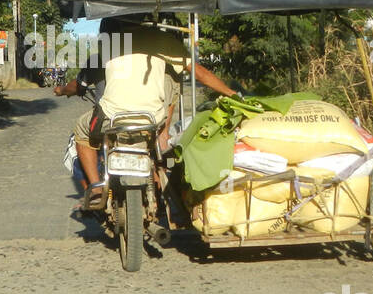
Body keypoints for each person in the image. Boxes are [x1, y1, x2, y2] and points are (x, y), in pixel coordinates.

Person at [55, 15, 237, 209]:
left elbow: (78, 84)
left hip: (112, 118)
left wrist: (60, 90)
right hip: (154, 119)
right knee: (160, 141)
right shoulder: (165, 42)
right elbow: (199, 73)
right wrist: (231, 93)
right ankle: (160, 177)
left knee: (81, 133)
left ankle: (96, 190)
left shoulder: (109, 45)